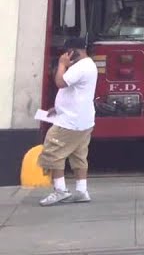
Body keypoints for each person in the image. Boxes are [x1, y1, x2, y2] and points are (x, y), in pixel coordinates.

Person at [38, 37, 98, 206]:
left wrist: (62, 64)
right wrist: (58, 108)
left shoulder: (79, 67)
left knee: (53, 151)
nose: (65, 55)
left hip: (70, 122)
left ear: (72, 51)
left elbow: (60, 82)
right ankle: (81, 191)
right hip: (83, 120)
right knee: (79, 155)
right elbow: (76, 94)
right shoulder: (89, 65)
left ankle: (60, 191)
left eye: (66, 52)